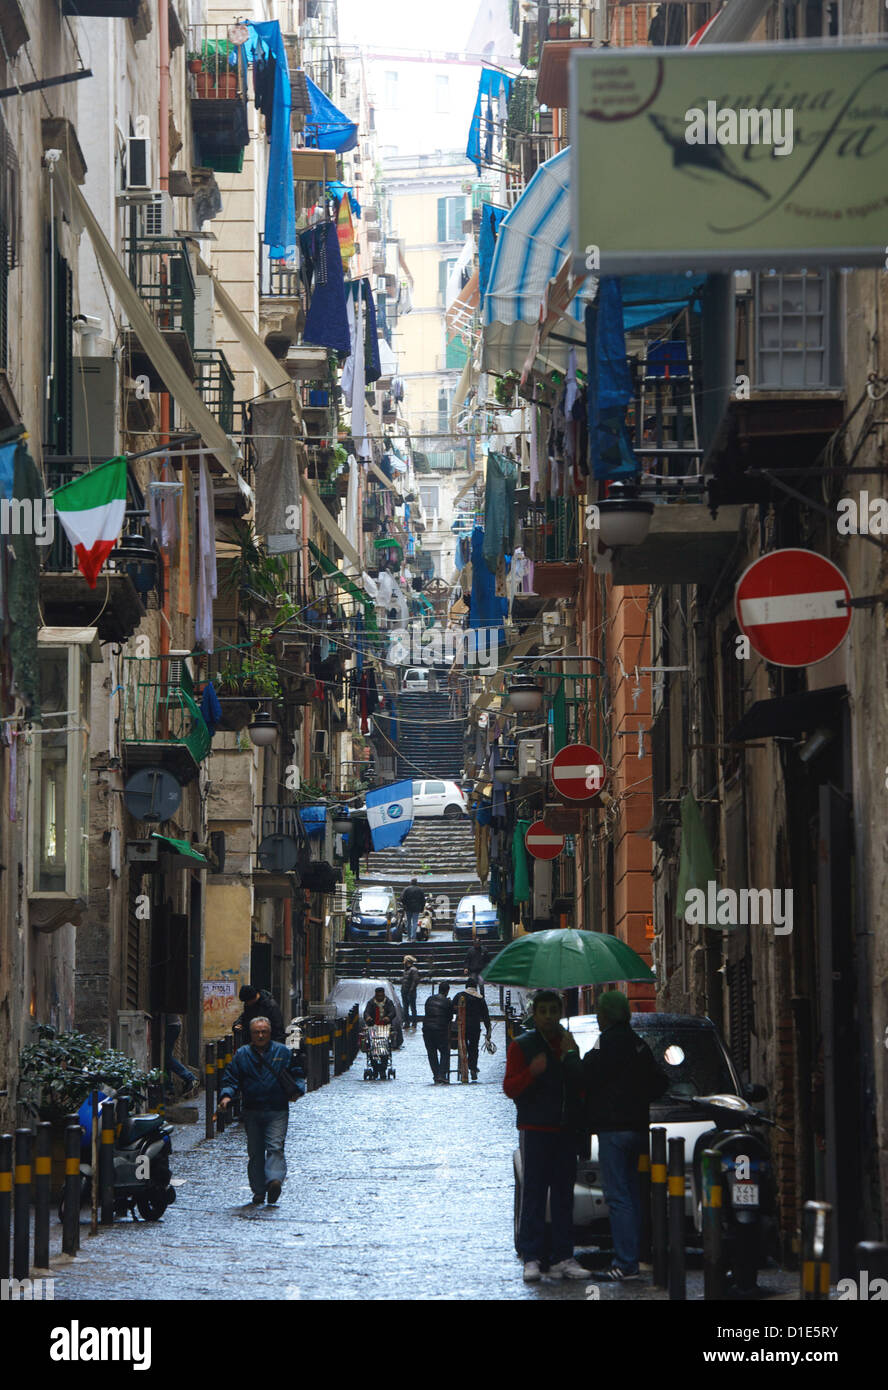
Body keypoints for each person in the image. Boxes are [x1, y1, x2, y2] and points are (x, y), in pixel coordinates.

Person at [582, 991, 668, 1281]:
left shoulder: (605, 1043)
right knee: (634, 1194)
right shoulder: (638, 1044)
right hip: (638, 1127)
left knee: (618, 1197)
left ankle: (625, 1262)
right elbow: (659, 1083)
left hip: (613, 1130)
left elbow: (587, 1075)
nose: (596, 1016)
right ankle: (638, 1255)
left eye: (599, 1012)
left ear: (606, 1016)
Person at [503, 989, 587, 1282]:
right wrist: (533, 1072)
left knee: (564, 1195)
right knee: (534, 1194)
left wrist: (570, 1056)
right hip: (536, 1128)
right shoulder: (522, 1046)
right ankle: (533, 1256)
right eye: (544, 1011)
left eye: (554, 1010)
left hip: (564, 1129)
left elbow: (579, 1085)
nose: (549, 1016)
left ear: (560, 1013)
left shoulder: (567, 1042)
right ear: (535, 1015)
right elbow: (510, 1088)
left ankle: (564, 1255)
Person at [218, 1017, 305, 1205]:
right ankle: (258, 1190)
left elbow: (297, 1072)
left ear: (270, 1032)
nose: (260, 1035)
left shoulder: (282, 1052)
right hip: (252, 1110)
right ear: (251, 1034)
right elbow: (231, 1077)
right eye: (257, 1032)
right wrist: (226, 1096)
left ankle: (274, 1180)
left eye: (264, 1031)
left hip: (277, 1109)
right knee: (255, 1152)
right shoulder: (242, 1054)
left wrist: (298, 1089)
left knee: (275, 1147)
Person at [450, 976, 492, 1080]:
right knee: (474, 1047)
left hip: (461, 1026)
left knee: (463, 1045)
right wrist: (488, 1030)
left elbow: (451, 1009)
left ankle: (465, 1066)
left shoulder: (459, 996)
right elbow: (486, 1016)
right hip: (475, 1027)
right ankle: (472, 1067)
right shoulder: (480, 998)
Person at [423, 982, 454, 1084]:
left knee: (432, 1053)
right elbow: (450, 1017)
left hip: (427, 1029)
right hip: (440, 1029)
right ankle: (442, 1075)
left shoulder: (429, 999)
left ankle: (436, 1075)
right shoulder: (447, 1002)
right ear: (447, 991)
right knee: (445, 1052)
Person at [163, 1013, 198, 1100]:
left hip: (171, 1025)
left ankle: (190, 1077)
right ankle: (169, 1087)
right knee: (166, 1058)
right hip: (174, 1025)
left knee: (167, 1058)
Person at [401, 956, 420, 1028]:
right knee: (405, 1008)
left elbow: (415, 981)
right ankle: (406, 1022)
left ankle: (414, 1022)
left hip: (410, 992)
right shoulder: (405, 970)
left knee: (412, 1007)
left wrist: (411, 990)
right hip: (404, 991)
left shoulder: (413, 970)